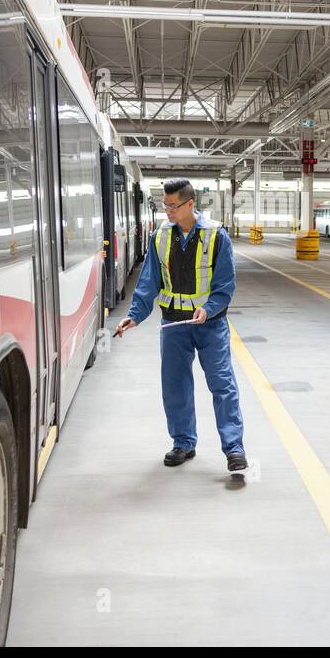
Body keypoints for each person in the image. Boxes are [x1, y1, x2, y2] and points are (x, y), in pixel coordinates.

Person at [115, 178, 247, 471]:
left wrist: (209, 309)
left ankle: (234, 448)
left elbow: (225, 285)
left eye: (173, 206)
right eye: (165, 205)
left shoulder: (216, 236)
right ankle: (183, 442)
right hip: (173, 325)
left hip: (210, 325)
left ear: (190, 204)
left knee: (222, 385)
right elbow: (149, 280)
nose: (168, 212)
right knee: (175, 385)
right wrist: (134, 315)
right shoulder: (161, 236)